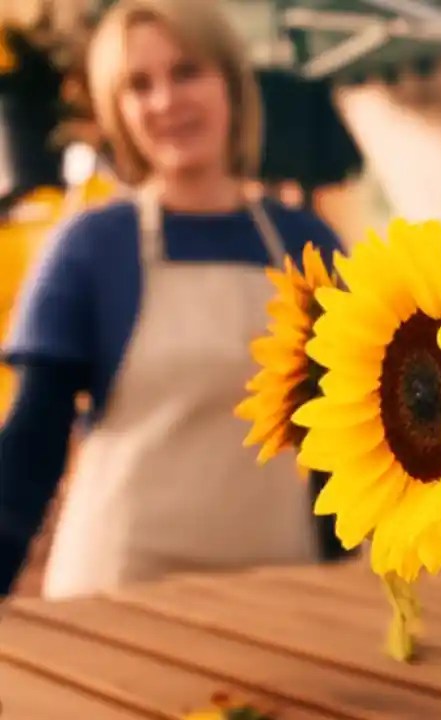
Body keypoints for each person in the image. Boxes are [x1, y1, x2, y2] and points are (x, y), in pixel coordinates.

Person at [0, 0, 345, 599]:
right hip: (117, 591)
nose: (166, 102)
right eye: (139, 85)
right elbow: (31, 444)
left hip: (281, 592)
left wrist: (355, 581)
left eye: (187, 72)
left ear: (231, 84)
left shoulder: (305, 244)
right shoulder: (90, 248)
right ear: (117, 112)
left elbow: (342, 438)